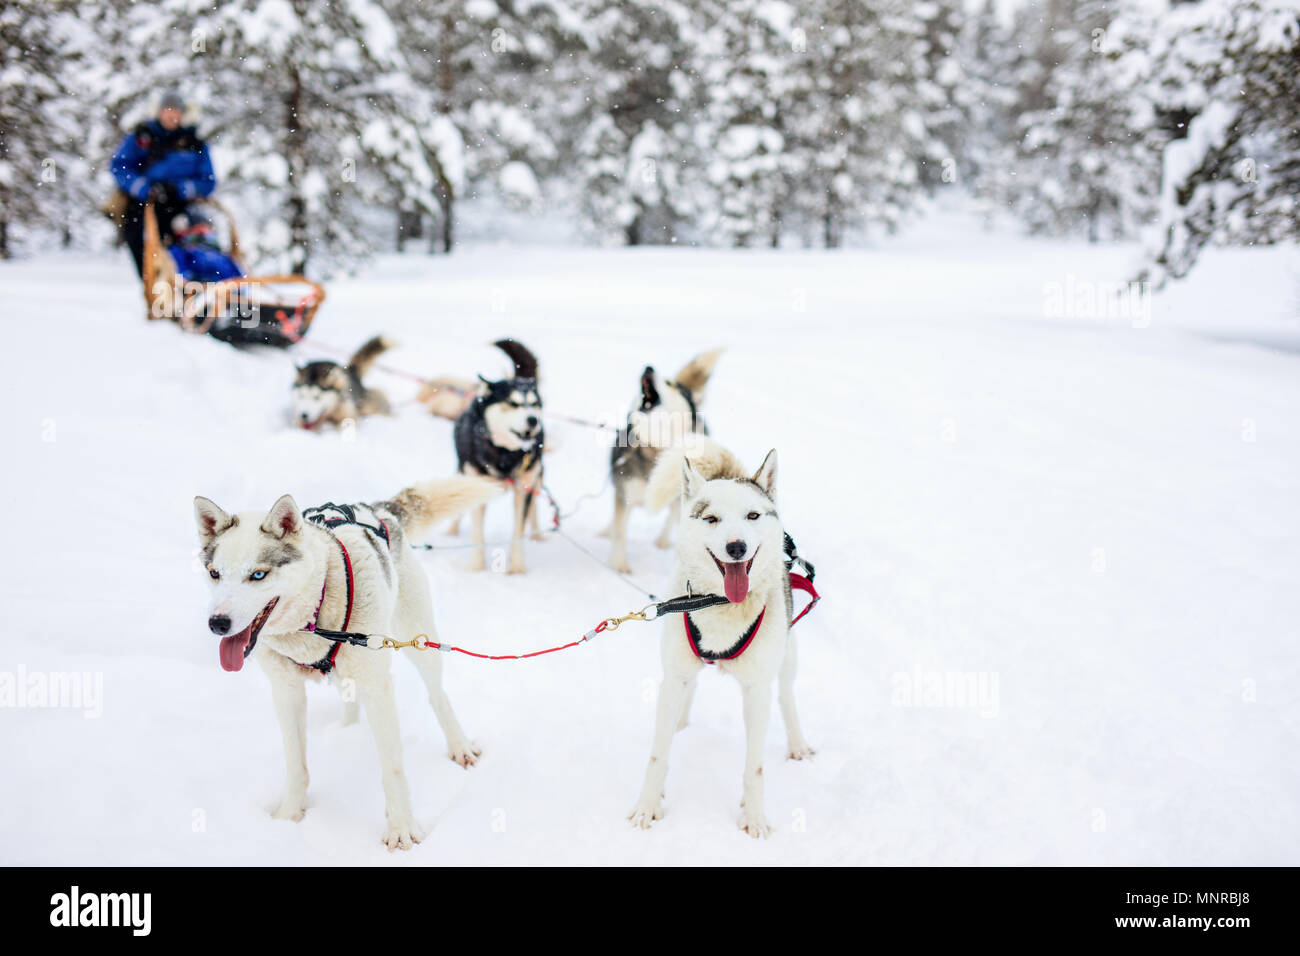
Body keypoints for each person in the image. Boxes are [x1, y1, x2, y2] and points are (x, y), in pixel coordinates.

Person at [110, 91, 217, 277]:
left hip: (183, 206)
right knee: (141, 242)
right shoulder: (142, 137)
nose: (171, 115)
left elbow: (208, 181)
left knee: (197, 243)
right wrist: (145, 189)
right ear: (158, 112)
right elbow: (120, 167)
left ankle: (194, 283)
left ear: (183, 114)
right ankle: (153, 285)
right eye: (167, 110)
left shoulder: (194, 143)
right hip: (144, 205)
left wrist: (181, 189)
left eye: (175, 111)